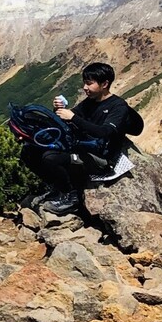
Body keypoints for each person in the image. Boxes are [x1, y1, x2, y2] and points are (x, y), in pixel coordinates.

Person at [21, 62, 143, 216]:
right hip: (83, 146)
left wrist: (73, 117)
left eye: (89, 83)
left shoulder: (118, 106)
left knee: (51, 158)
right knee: (29, 151)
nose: (85, 87)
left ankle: (71, 197)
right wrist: (59, 110)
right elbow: (68, 121)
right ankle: (56, 188)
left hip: (101, 158)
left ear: (105, 84)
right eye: (84, 83)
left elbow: (104, 132)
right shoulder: (90, 102)